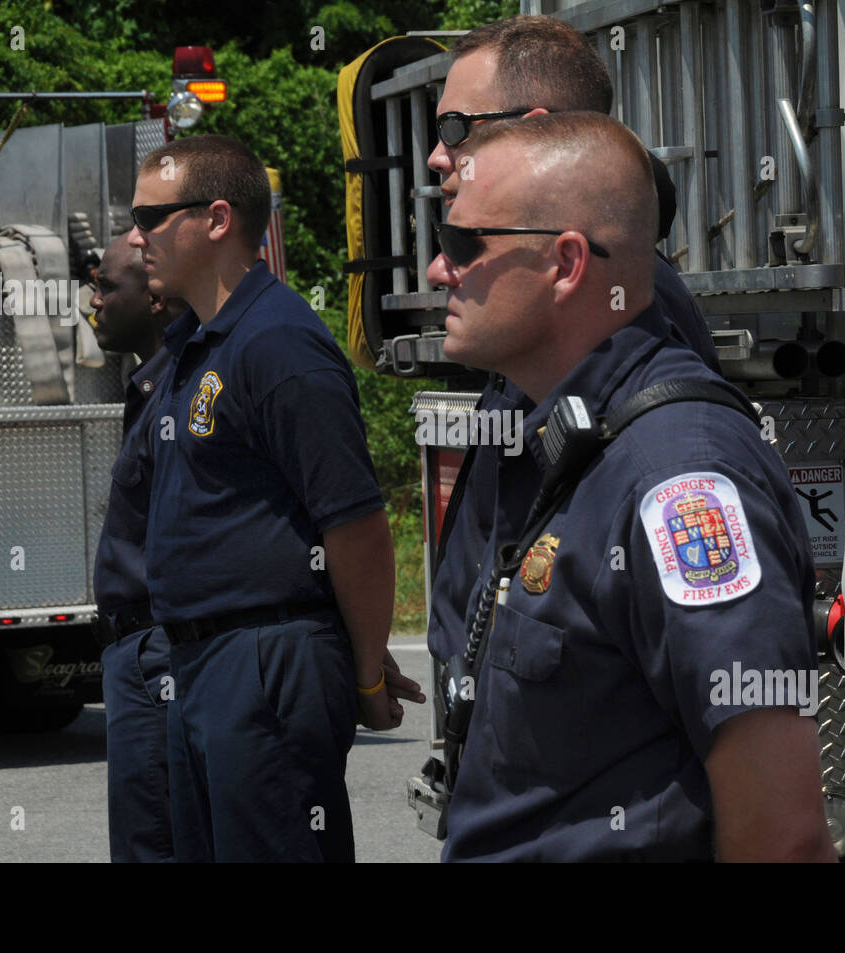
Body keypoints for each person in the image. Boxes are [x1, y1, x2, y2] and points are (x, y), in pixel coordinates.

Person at [425, 111, 835, 861]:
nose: (437, 269)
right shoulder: (570, 437)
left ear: (568, 262)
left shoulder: (682, 480)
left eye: (462, 243)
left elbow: (781, 833)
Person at [127, 135, 415, 862]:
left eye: (150, 216)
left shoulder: (280, 342)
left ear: (217, 219)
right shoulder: (202, 340)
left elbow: (355, 525)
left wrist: (369, 666)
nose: (135, 237)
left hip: (264, 661)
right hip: (203, 661)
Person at [424, 14, 721, 671]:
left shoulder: (627, 311)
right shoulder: (537, 313)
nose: (436, 155)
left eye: (454, 128)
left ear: (530, 126)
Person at [90, 234, 187, 863]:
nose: (89, 301)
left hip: (160, 656)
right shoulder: (152, 386)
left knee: (155, 844)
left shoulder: (185, 390)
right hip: (137, 654)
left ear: (154, 299)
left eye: (105, 287)